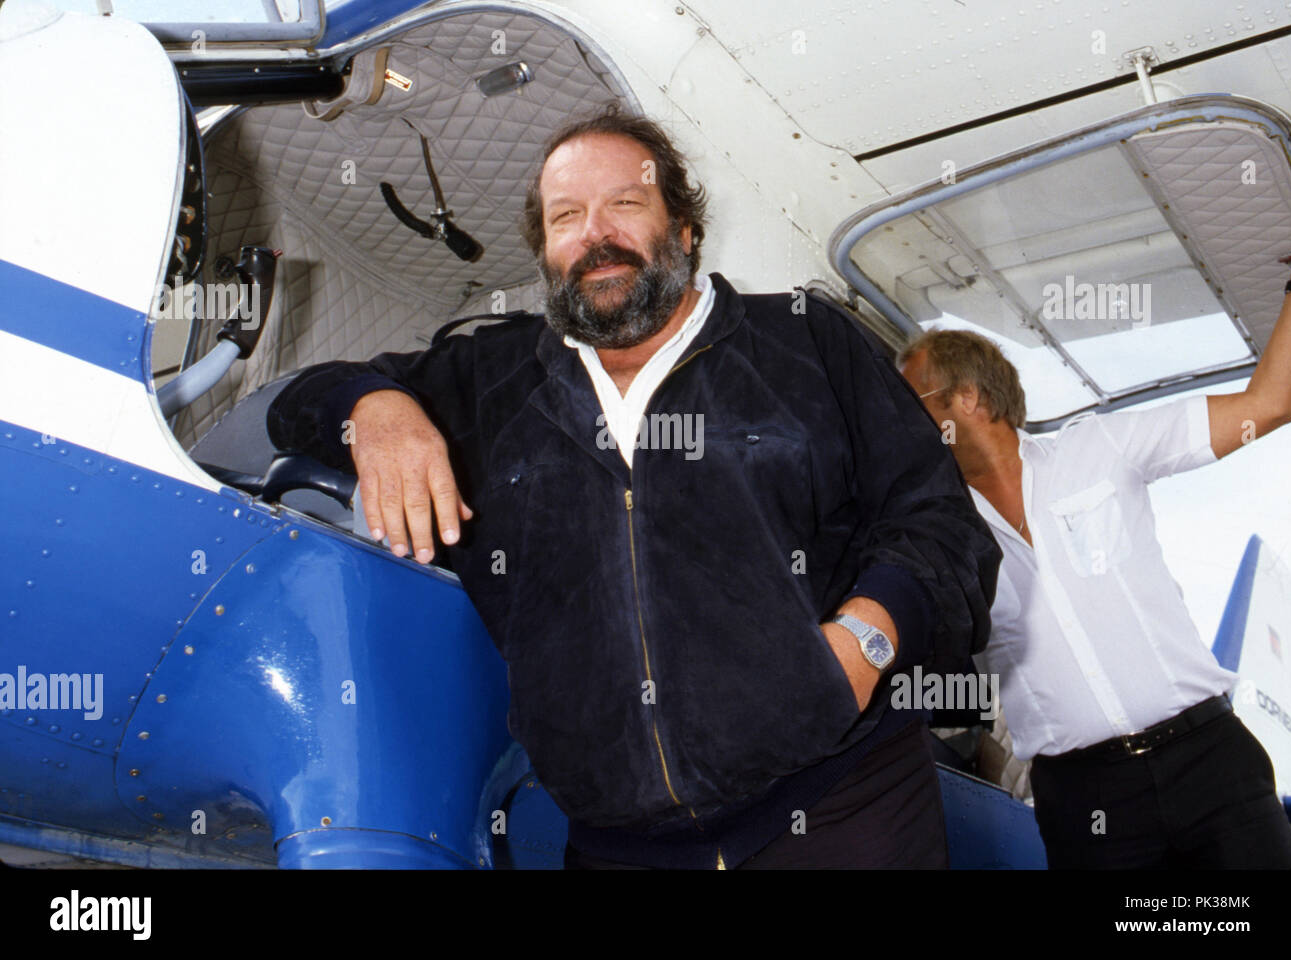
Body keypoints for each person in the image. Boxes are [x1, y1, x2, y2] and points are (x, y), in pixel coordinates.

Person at [267, 108, 999, 869]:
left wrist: (865, 643)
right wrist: (375, 409)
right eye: (566, 217)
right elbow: (294, 401)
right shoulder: (488, 378)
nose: (595, 233)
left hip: (843, 804)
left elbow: (938, 524)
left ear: (684, 229)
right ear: (547, 253)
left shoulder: (807, 339)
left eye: (624, 203)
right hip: (616, 846)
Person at [897, 259, 1291, 869]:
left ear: (968, 397)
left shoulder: (1101, 448)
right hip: (1085, 801)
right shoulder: (936, 533)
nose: (896, 424)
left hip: (1208, 764)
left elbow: (1268, 404)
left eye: (911, 403)